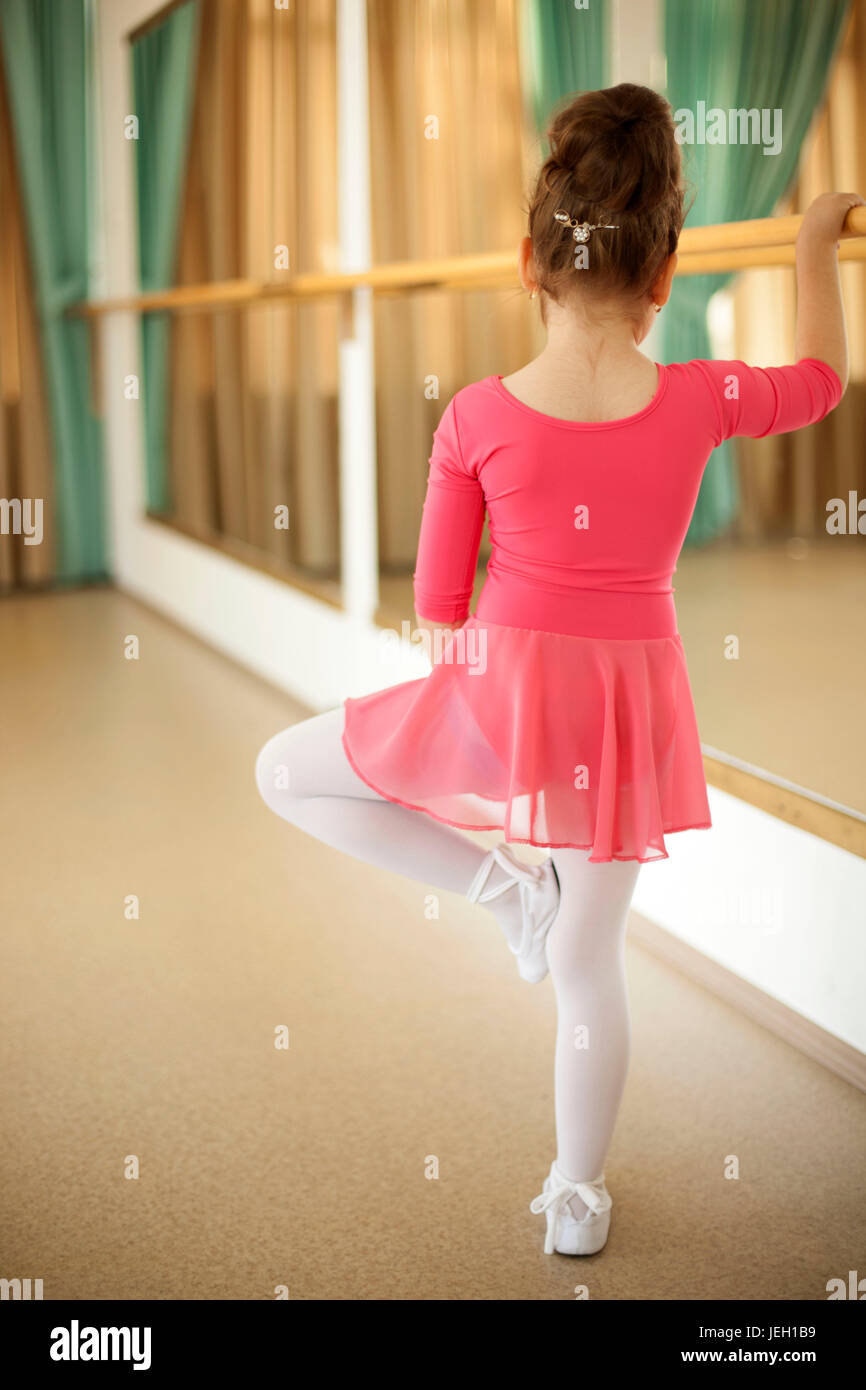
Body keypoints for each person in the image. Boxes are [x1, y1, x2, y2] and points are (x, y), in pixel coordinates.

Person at [256, 83, 859, 1257]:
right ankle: (574, 1197)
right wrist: (806, 241)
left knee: (288, 772)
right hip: (625, 718)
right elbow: (821, 380)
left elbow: (435, 609)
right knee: (589, 965)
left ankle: (499, 892)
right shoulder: (701, 399)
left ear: (527, 262)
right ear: (664, 274)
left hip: (499, 692)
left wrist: (477, 703)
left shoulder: (476, 416)